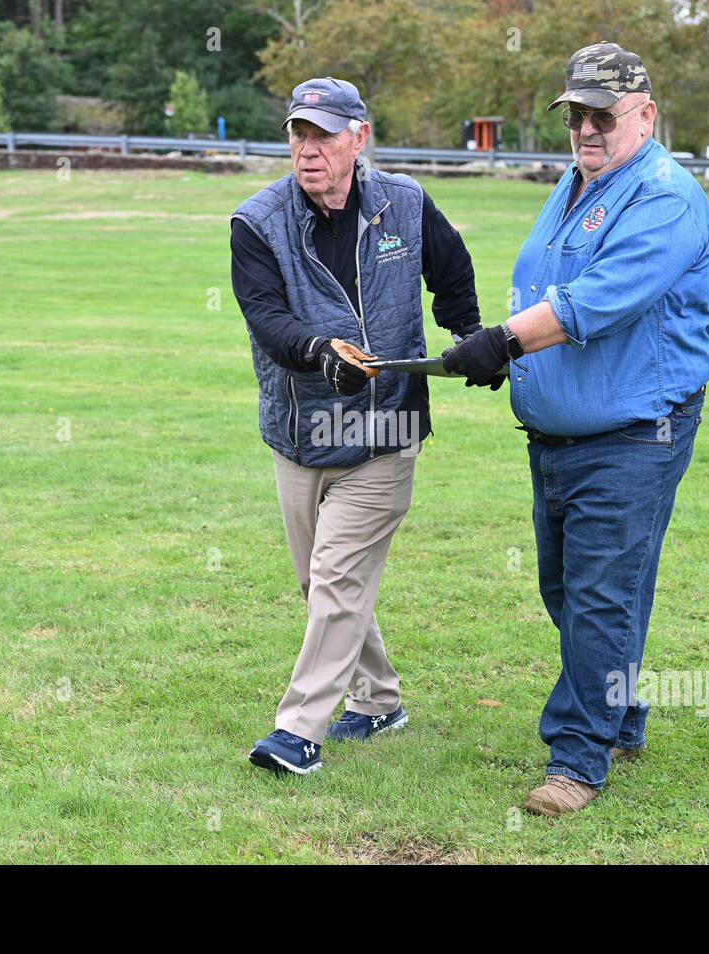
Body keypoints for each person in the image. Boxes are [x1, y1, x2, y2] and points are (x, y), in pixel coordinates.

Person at [443, 42, 709, 816]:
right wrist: (509, 357)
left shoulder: (665, 197)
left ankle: (577, 757)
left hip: (633, 433)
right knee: (570, 588)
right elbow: (545, 283)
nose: (588, 130)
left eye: (605, 115)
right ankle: (621, 712)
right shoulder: (578, 180)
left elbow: (593, 301)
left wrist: (502, 341)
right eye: (578, 116)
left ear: (646, 115)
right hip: (560, 436)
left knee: (598, 597)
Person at [231, 77, 487, 775]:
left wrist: (467, 333)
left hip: (387, 430)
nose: (308, 151)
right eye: (298, 135)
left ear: (358, 138)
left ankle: (297, 731)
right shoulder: (257, 223)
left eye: (322, 135)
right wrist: (319, 352)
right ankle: (378, 702)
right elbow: (268, 318)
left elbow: (452, 268)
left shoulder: (404, 204)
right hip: (301, 430)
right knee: (322, 585)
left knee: (338, 578)